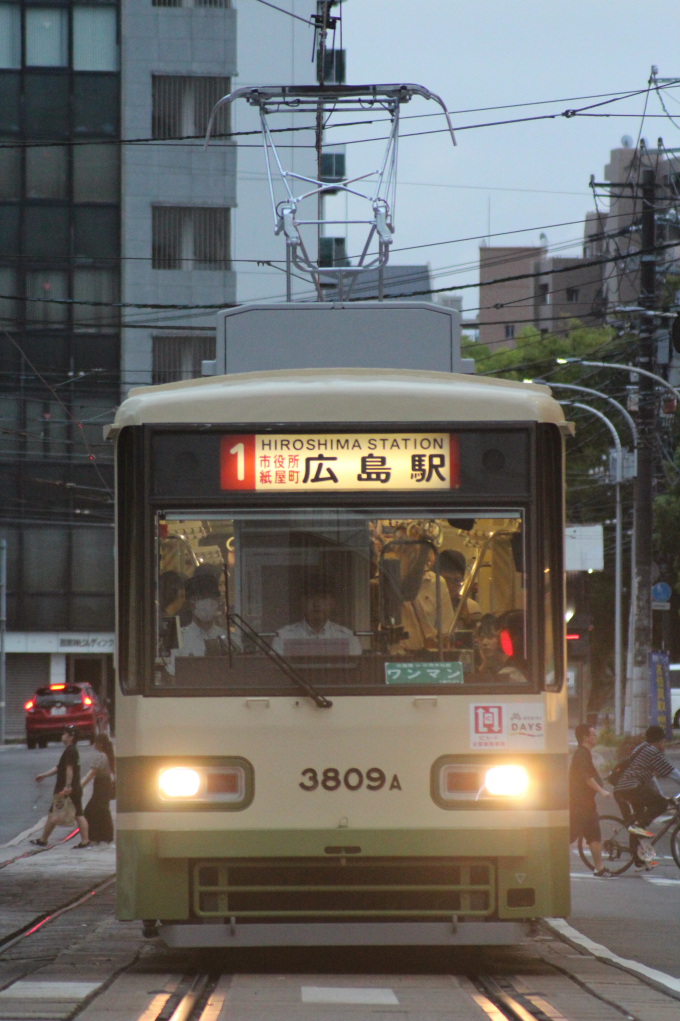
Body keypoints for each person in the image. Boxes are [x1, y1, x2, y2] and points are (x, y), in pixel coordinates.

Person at [613, 724, 680, 867]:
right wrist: (662, 799)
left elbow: (650, 778)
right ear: (659, 741)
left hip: (623, 788)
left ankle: (637, 856)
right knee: (658, 807)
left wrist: (661, 795)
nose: (664, 744)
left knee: (639, 817)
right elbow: (672, 772)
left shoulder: (642, 747)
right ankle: (638, 827)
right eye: (663, 741)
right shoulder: (652, 752)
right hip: (631, 787)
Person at [272, 573, 362, 656]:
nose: (317, 604)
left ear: (332, 603)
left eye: (323, 598)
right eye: (311, 598)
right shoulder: (283, 637)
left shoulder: (348, 638)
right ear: (302, 602)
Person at [31, 726, 90, 849]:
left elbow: (69, 769)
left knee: (56, 814)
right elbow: (59, 768)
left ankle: (43, 840)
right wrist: (44, 775)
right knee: (77, 814)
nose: (62, 736)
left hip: (67, 790)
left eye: (64, 734)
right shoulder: (70, 750)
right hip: (73, 788)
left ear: (70, 737)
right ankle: (85, 841)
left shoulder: (70, 751)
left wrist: (67, 786)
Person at [569, 723, 613, 877]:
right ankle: (545, 859)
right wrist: (602, 791)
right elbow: (586, 777)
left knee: (594, 835)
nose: (595, 737)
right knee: (569, 835)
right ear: (585, 738)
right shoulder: (581, 754)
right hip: (578, 804)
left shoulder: (584, 753)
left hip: (587, 803)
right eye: (593, 735)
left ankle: (599, 868)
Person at [168, 573, 226, 674]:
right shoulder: (180, 640)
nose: (208, 602)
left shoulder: (227, 638)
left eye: (212, 597)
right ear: (191, 603)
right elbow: (173, 675)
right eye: (202, 597)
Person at [81, 734, 115, 845]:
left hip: (101, 786)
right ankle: (105, 836)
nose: (93, 744)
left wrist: (80, 786)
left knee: (90, 811)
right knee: (103, 810)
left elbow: (91, 774)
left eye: (95, 742)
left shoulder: (101, 757)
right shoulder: (108, 756)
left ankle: (95, 837)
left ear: (100, 744)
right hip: (106, 785)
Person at [439, 549, 482, 627]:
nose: (451, 586)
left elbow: (477, 637)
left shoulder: (472, 607)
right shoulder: (429, 605)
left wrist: (468, 621)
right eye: (447, 580)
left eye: (457, 580)